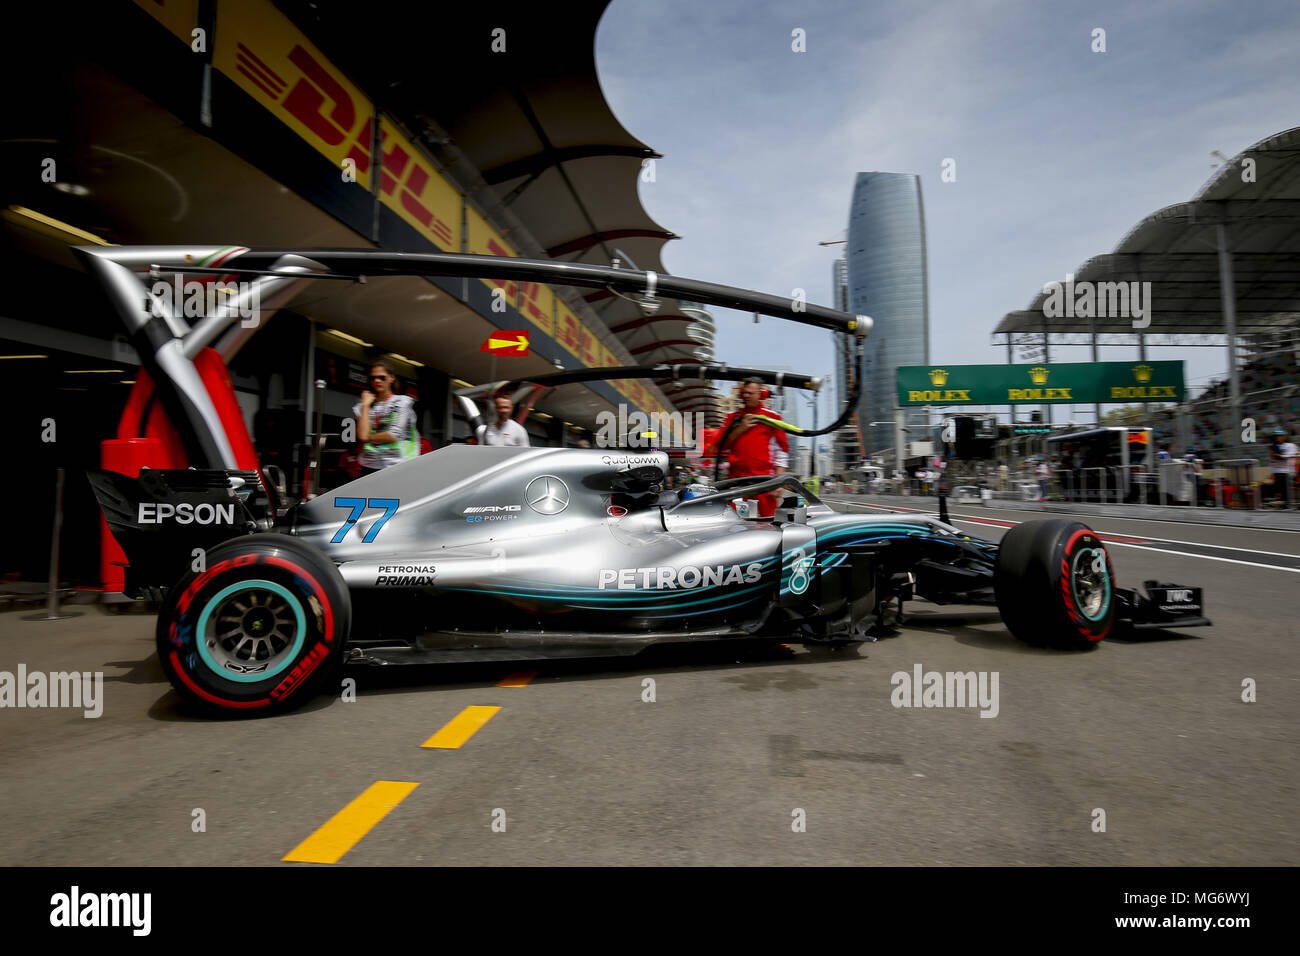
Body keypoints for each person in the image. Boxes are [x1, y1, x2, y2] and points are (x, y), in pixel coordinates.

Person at [716, 377, 790, 517]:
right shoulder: (733, 417)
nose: (746, 396)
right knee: (733, 526)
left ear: (760, 394)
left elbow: (782, 450)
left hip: (763, 483)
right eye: (745, 392)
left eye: (751, 393)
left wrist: (778, 482)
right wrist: (740, 429)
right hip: (736, 482)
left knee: (766, 526)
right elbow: (721, 446)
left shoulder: (772, 417)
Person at [354, 359, 418, 476]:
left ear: (391, 378)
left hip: (398, 465)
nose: (377, 381)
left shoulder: (402, 401)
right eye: (373, 378)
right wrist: (365, 405)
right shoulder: (364, 405)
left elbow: (392, 435)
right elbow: (362, 436)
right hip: (369, 466)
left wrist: (368, 437)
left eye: (382, 377)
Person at [1267, 428, 1298, 507]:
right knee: (1271, 483)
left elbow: (1291, 455)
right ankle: (1281, 502)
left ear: (1284, 437)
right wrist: (1271, 473)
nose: (1277, 437)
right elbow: (1272, 461)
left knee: (1281, 479)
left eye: (1280, 436)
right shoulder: (1273, 447)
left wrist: (1279, 456)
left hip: (1288, 471)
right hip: (1277, 471)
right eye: (1276, 436)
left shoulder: (1291, 445)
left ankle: (1285, 502)